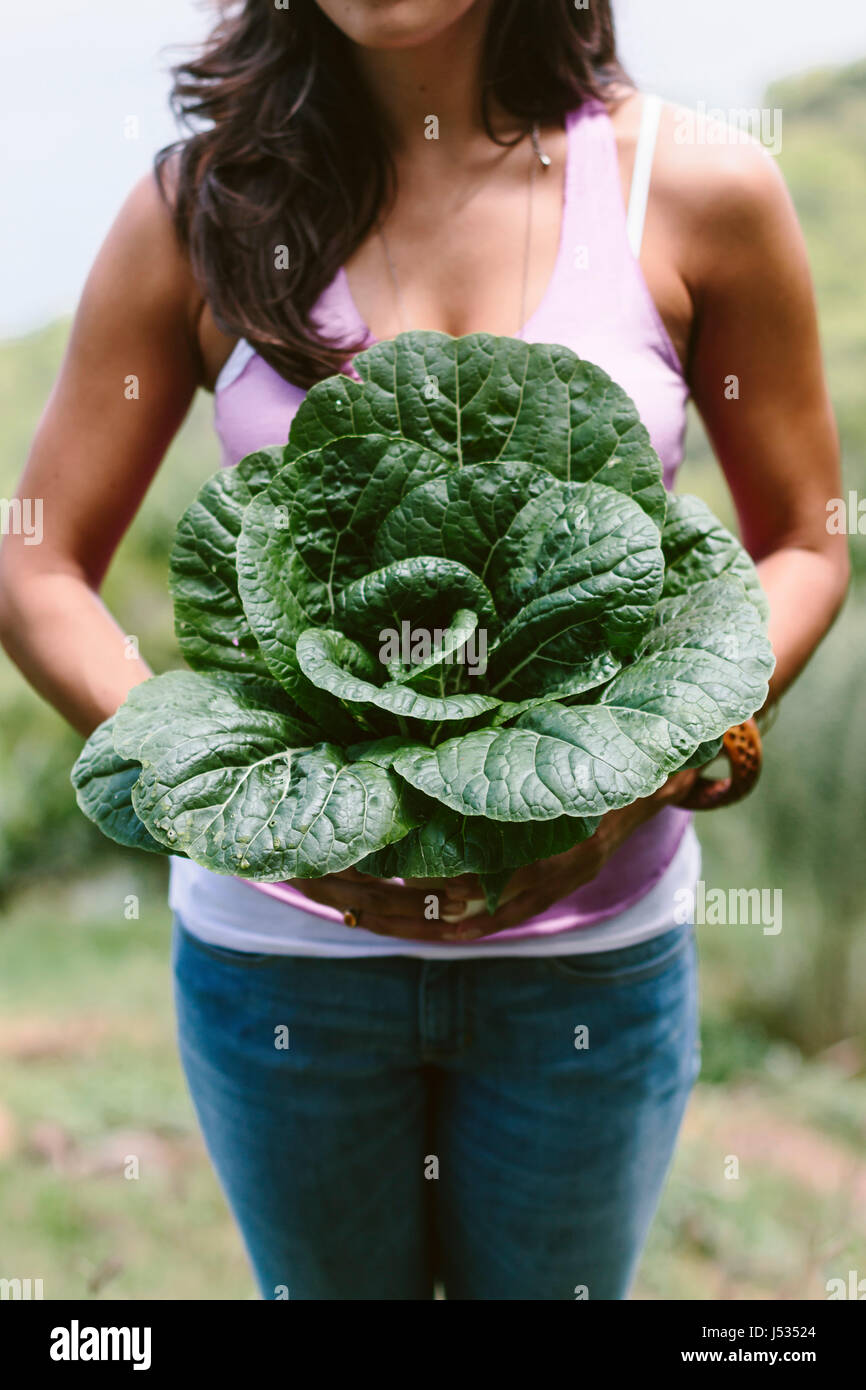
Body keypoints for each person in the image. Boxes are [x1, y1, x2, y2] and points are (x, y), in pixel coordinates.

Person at [0, 0, 847, 1300]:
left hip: (586, 955)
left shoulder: (690, 186)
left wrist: (639, 778)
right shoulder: (200, 206)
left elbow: (802, 539)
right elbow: (35, 554)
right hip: (282, 965)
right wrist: (249, 805)